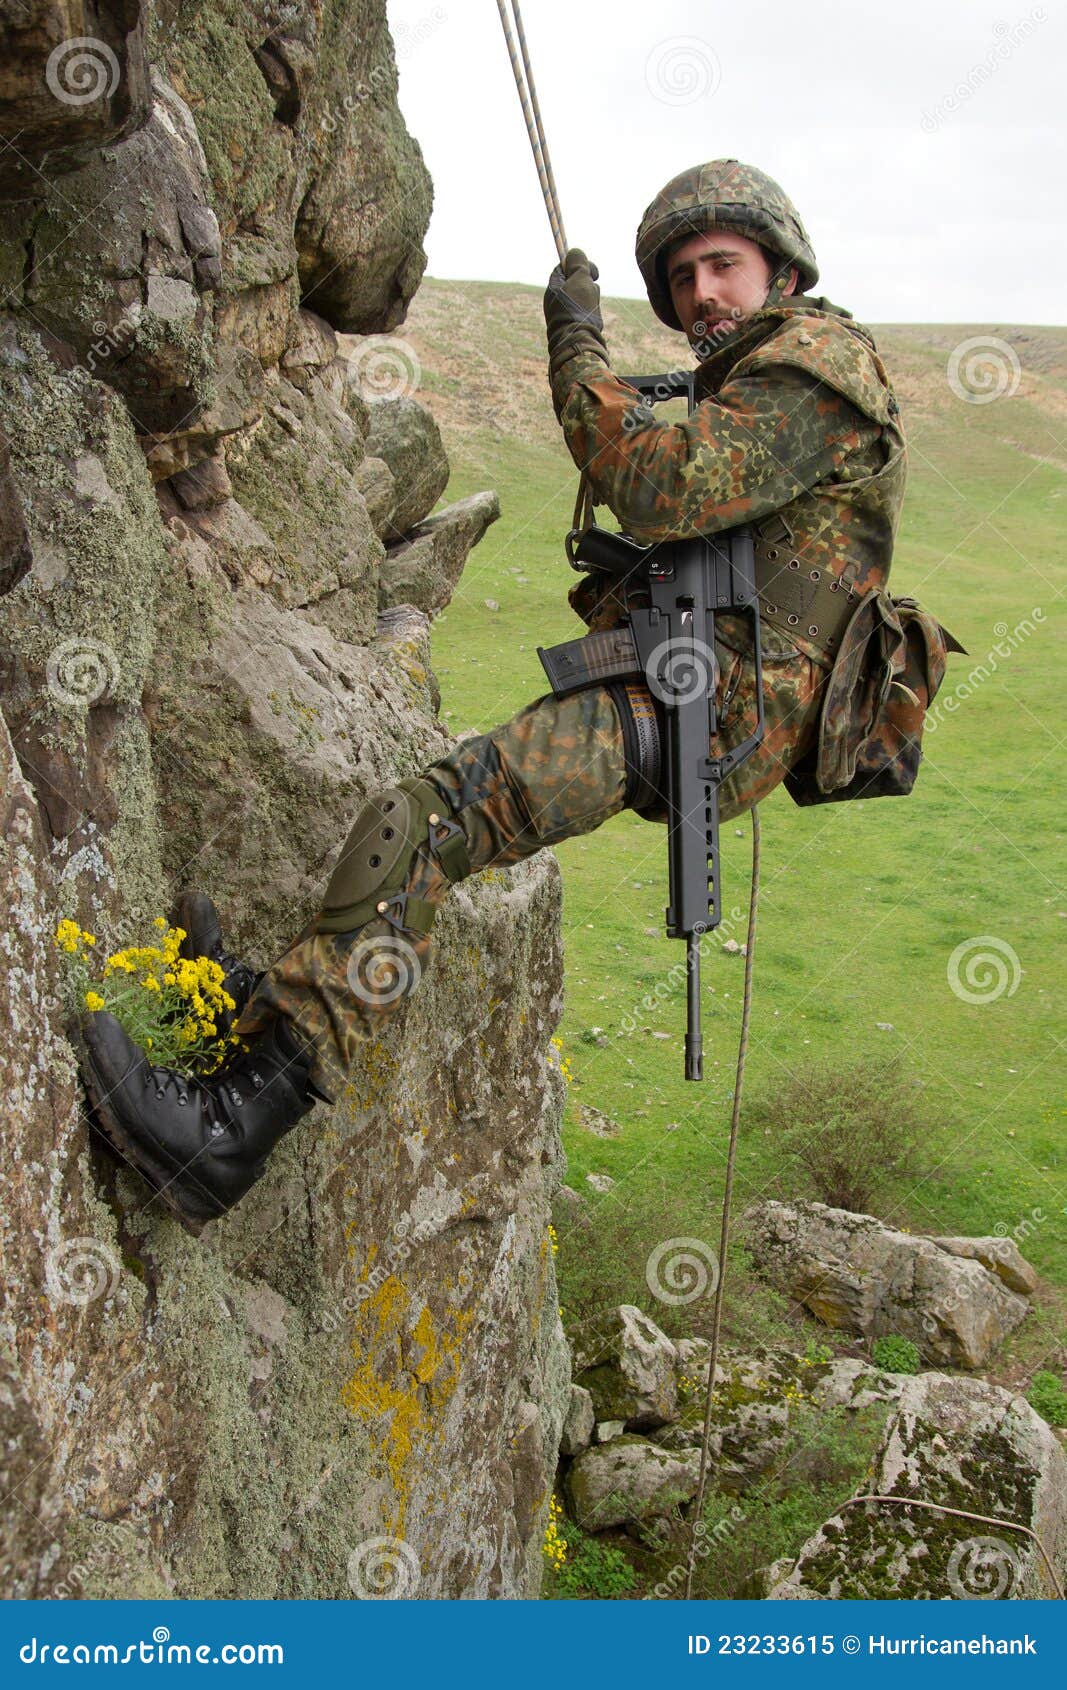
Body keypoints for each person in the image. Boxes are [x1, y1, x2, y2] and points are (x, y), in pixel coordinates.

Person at [78, 159, 910, 1234]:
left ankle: (229, 1128)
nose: (703, 291)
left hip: (723, 704)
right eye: (682, 277)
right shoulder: (755, 375)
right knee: (430, 815)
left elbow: (657, 484)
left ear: (780, 269)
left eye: (722, 265)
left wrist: (575, 345)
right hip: (695, 678)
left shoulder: (815, 363)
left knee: (426, 818)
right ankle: (263, 1025)